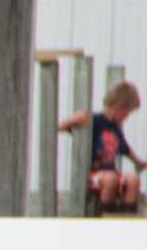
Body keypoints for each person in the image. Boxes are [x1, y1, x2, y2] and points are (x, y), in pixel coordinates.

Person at [60, 80, 142, 212]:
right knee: (111, 179)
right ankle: (105, 215)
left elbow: (125, 149)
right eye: (127, 113)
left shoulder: (115, 127)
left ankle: (127, 217)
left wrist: (139, 162)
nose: (127, 117)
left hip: (110, 173)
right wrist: (75, 119)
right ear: (119, 107)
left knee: (133, 180)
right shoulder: (94, 120)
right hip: (93, 174)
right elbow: (60, 127)